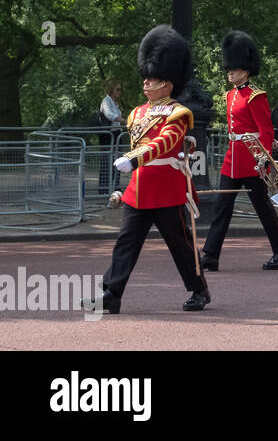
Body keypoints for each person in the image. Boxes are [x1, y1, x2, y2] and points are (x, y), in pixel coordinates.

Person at [81, 25, 209, 314]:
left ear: (168, 83)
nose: (146, 83)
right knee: (126, 243)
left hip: (166, 187)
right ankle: (112, 294)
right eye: (146, 78)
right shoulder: (137, 113)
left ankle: (199, 289)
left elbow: (165, 142)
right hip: (139, 189)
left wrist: (135, 159)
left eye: (152, 79)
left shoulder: (178, 112)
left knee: (181, 245)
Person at [200, 31, 278, 272]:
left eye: (234, 68)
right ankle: (210, 254)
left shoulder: (256, 96)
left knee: (262, 207)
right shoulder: (229, 95)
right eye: (229, 68)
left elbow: (266, 131)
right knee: (222, 206)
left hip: (252, 160)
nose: (229, 72)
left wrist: (263, 161)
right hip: (232, 159)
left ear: (245, 70)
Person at [97, 79, 125, 194]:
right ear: (111, 90)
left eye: (120, 89)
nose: (119, 92)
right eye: (117, 89)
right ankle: (104, 188)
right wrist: (123, 120)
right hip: (108, 135)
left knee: (118, 160)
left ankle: (115, 186)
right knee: (106, 160)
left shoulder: (115, 103)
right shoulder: (106, 101)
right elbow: (109, 115)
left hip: (117, 134)